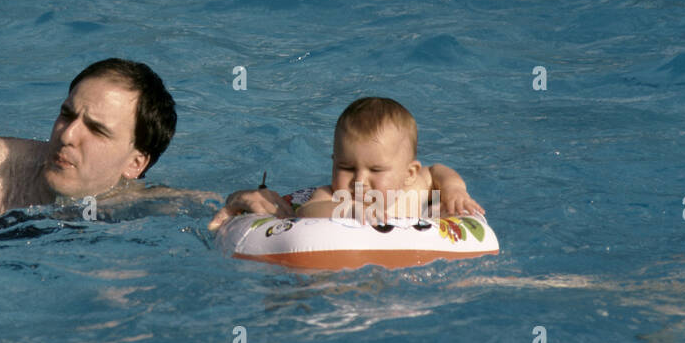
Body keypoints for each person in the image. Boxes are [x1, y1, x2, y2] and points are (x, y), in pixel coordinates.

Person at [0, 58, 181, 221]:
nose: (67, 135)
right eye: (67, 115)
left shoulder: (147, 206)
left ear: (135, 163)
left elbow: (214, 210)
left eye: (96, 129)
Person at [207, 96, 485, 231]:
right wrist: (347, 208)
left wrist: (453, 190)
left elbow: (438, 171)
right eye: (346, 168)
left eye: (376, 170)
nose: (359, 181)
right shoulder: (330, 194)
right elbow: (311, 210)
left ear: (408, 173)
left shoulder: (418, 188)